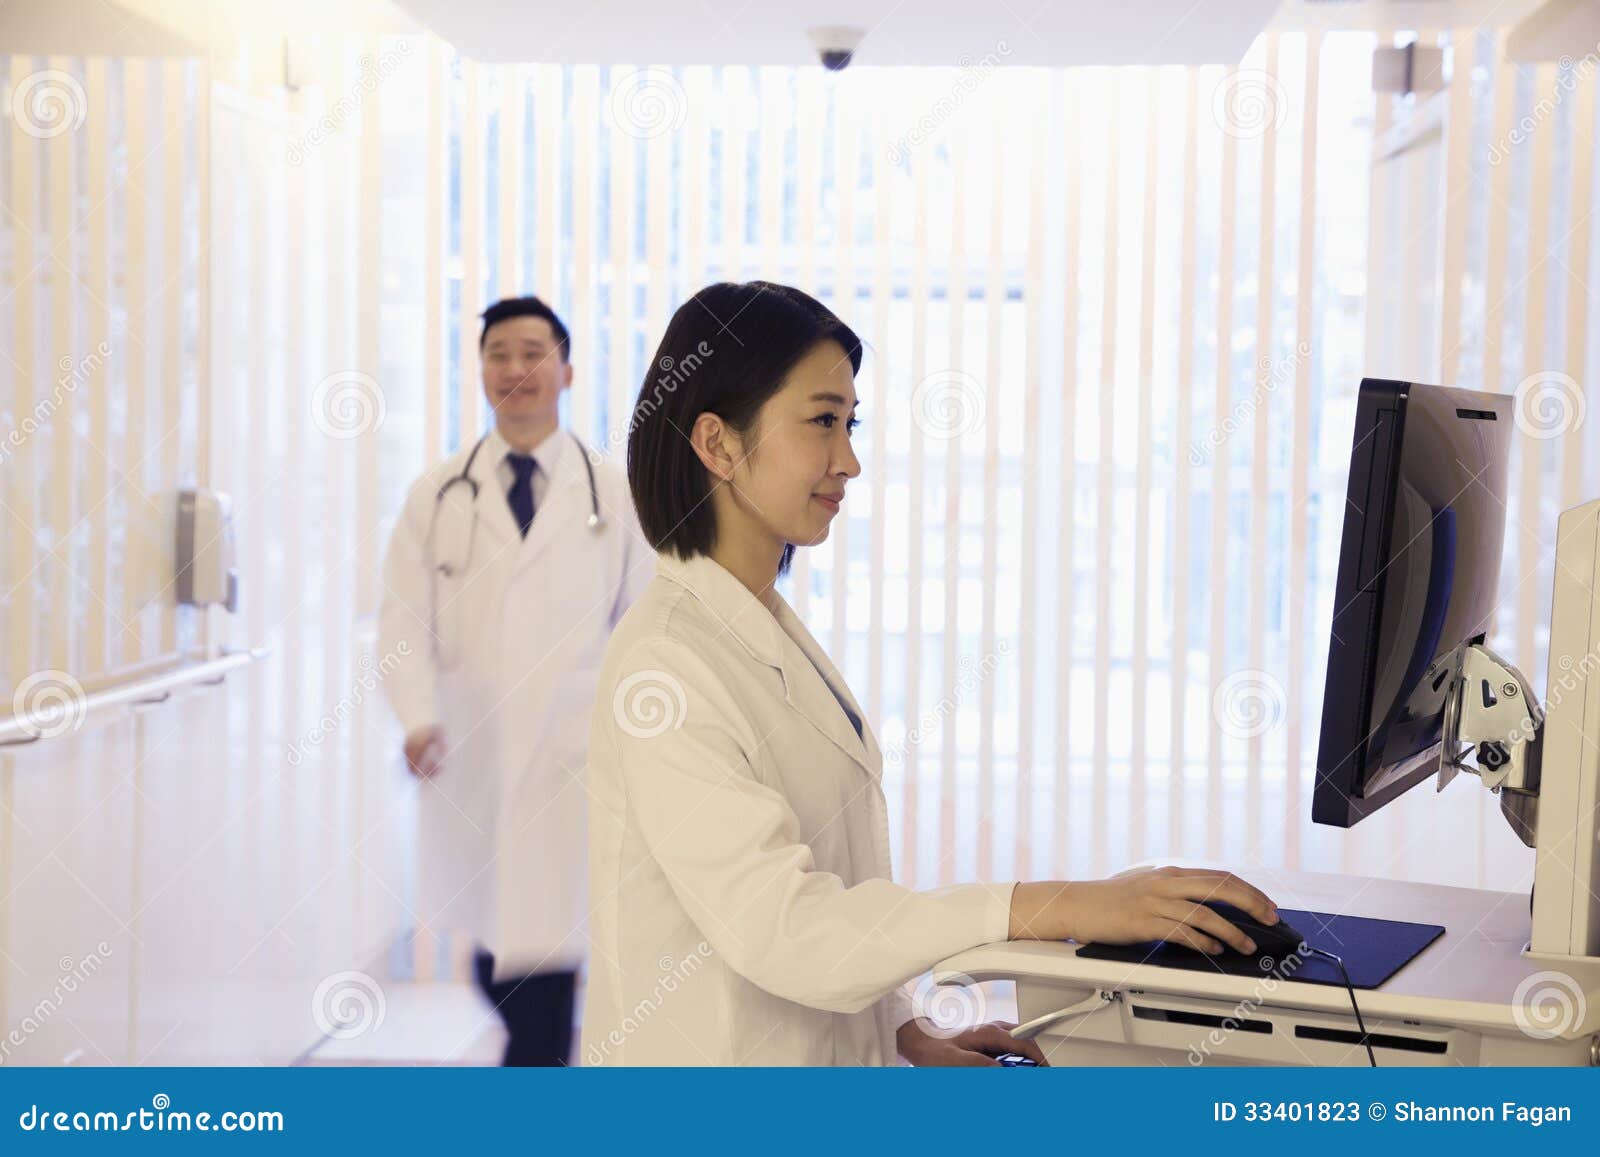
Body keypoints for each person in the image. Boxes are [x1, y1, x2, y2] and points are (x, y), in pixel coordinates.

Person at [582, 280, 1283, 1066]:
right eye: (822, 421)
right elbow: (788, 929)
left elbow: (831, 883)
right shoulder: (666, 669)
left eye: (851, 424)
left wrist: (907, 1034)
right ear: (716, 443)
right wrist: (1058, 906)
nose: (848, 459)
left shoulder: (758, 628)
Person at [379, 295, 651, 1066]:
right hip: (472, 746)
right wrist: (418, 716)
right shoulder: (437, 494)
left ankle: (530, 1084)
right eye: (499, 353)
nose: (516, 369)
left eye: (534, 352)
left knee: (546, 954)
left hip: (576, 753)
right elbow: (400, 619)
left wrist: (634, 726)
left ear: (566, 370)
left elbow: (644, 623)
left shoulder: (613, 491)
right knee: (498, 946)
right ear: (481, 371)